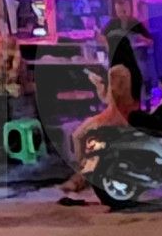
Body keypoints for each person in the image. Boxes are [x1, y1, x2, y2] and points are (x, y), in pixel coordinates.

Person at [57, 63, 135, 201]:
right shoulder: (118, 84)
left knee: (80, 136)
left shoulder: (122, 85)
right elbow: (106, 99)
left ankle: (82, 175)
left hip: (113, 119)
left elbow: (111, 102)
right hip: (108, 116)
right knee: (78, 135)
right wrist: (98, 86)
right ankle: (82, 173)